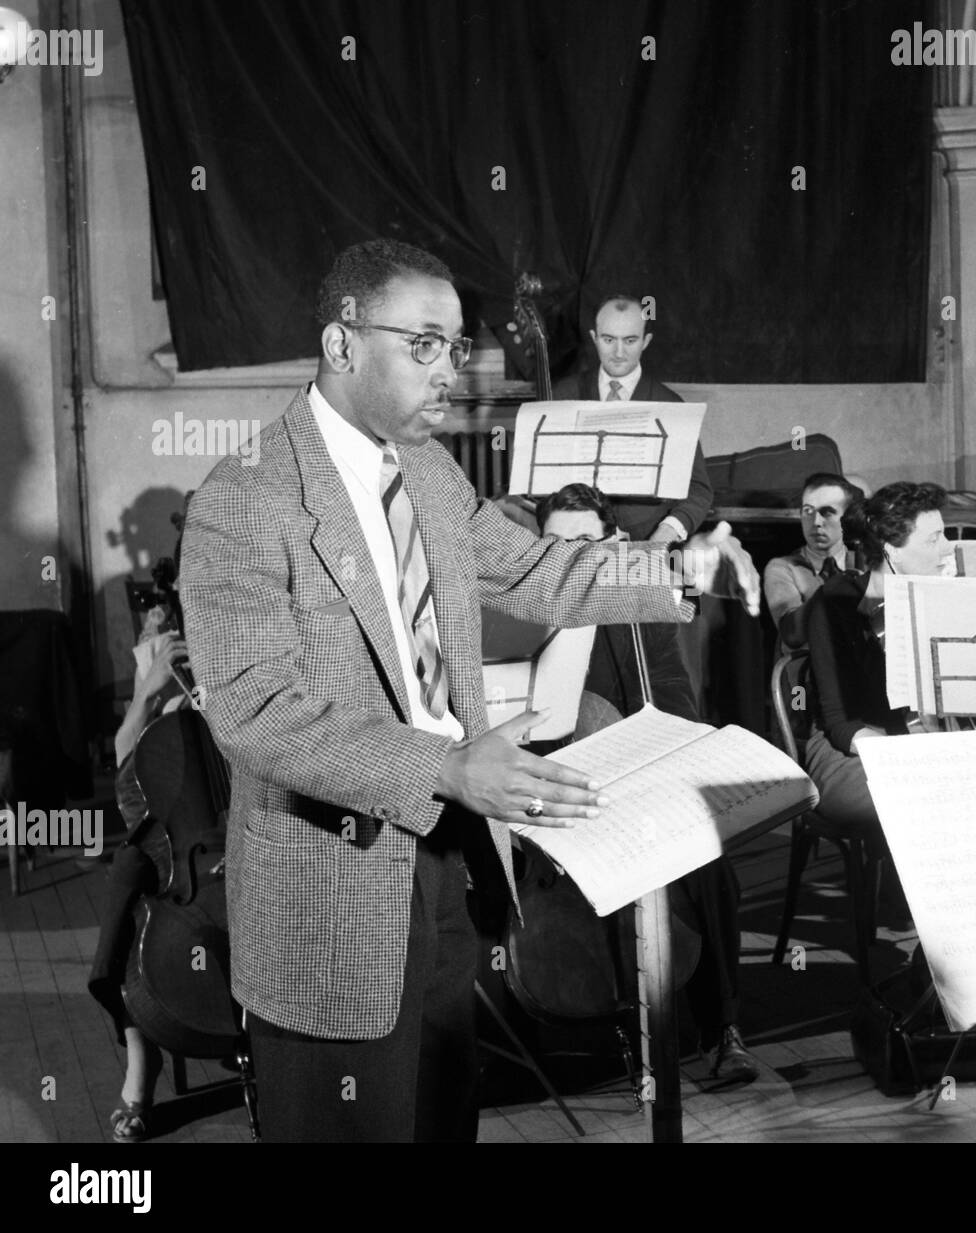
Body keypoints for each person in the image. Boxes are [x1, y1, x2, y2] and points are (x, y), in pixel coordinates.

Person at [178, 239, 759, 1142]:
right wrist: (446, 766)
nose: (452, 371)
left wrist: (682, 565)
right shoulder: (245, 499)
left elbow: (538, 569)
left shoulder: (429, 472)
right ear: (341, 345)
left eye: (455, 347)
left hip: (451, 865)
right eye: (425, 345)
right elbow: (255, 716)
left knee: (444, 1122)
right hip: (333, 886)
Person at [535, 483, 758, 1082]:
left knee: (709, 863)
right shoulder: (528, 610)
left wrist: (664, 745)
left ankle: (722, 1029)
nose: (573, 558)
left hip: (638, 771)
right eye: (555, 545)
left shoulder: (638, 603)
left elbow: (675, 689)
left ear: (614, 543)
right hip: (560, 789)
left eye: (586, 543)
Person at [87, 610, 189, 1141]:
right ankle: (139, 1052)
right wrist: (147, 693)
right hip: (176, 848)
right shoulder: (169, 663)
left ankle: (140, 1070)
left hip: (247, 843)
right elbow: (129, 785)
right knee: (131, 866)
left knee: (127, 874)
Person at [803, 483, 954, 841]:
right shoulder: (834, 604)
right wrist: (909, 755)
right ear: (891, 551)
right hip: (855, 750)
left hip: (921, 739)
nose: (948, 550)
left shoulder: (936, 596)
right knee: (929, 803)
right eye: (934, 540)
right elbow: (840, 722)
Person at [552, 293, 713, 543]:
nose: (618, 352)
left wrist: (666, 532)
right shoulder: (563, 395)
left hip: (645, 541)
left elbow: (698, 489)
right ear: (594, 338)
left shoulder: (670, 404)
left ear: (645, 341)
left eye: (630, 340)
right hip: (575, 544)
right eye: (608, 339)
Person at [763, 472, 862, 648]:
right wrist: (839, 589)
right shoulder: (783, 568)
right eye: (808, 511)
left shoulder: (867, 563)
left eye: (828, 512)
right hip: (808, 671)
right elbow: (792, 633)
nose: (816, 522)